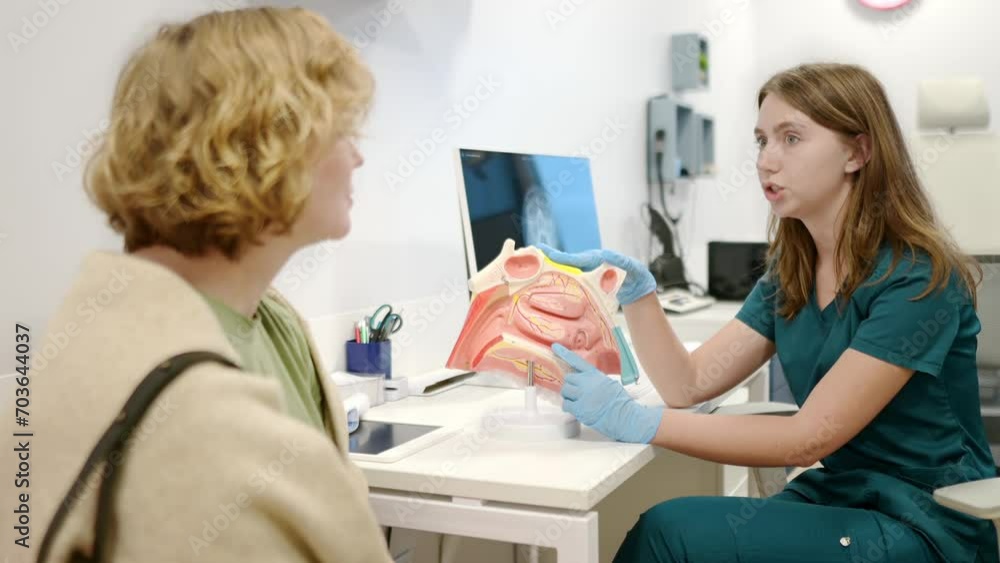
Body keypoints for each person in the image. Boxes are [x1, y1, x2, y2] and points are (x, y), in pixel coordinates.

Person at [542, 63, 998, 562]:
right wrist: (639, 295)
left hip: (927, 520)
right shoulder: (793, 270)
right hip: (842, 494)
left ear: (858, 152)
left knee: (671, 531)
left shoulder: (915, 278)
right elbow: (688, 384)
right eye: (762, 140)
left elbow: (808, 438)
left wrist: (632, 418)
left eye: (791, 138)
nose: (766, 161)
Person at [32, 8, 394, 562]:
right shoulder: (186, 416)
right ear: (265, 142)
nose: (358, 155)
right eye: (343, 131)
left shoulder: (273, 323)